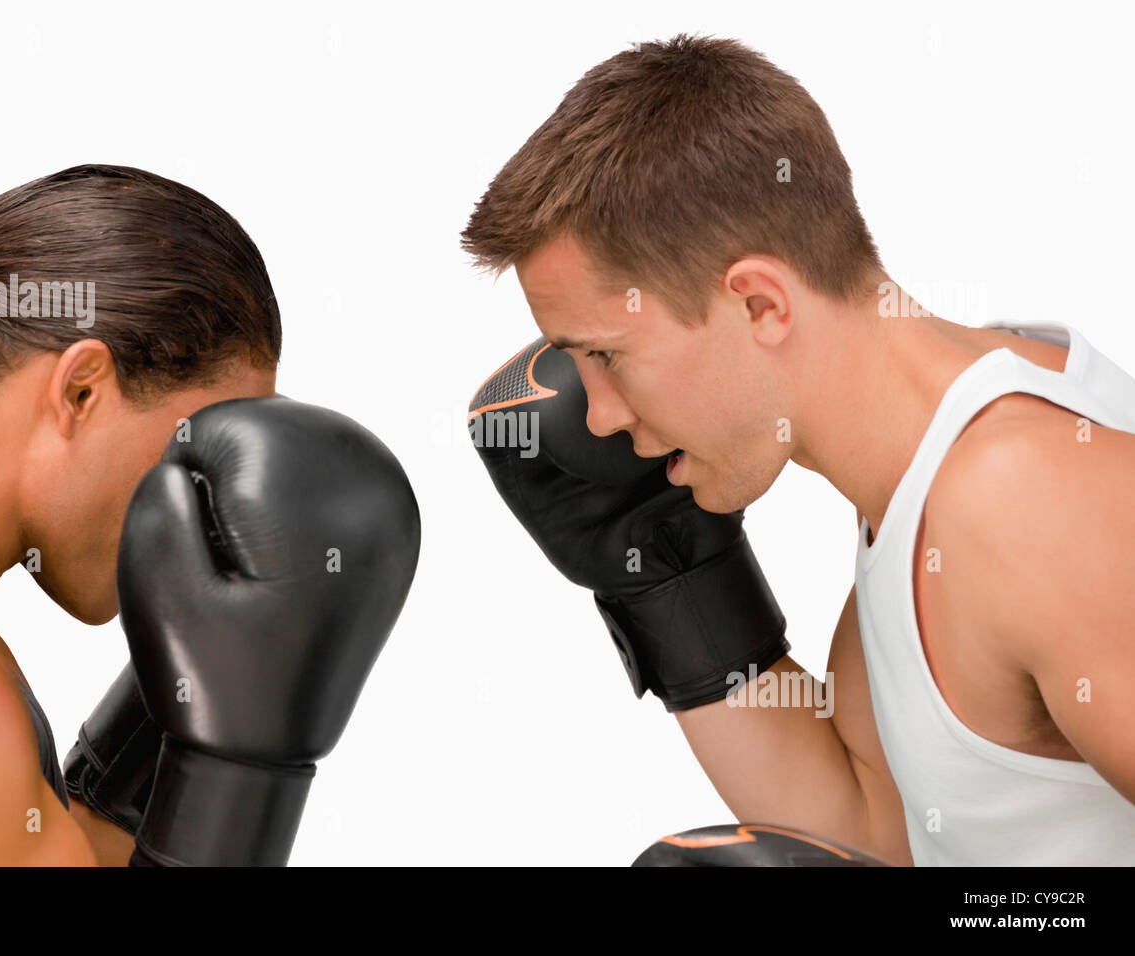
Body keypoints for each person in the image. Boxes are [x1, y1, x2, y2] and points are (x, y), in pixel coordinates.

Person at [461, 34, 1135, 865]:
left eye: (604, 354)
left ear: (759, 304)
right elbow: (882, 831)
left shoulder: (1022, 502)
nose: (595, 417)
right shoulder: (923, 485)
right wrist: (676, 591)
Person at [0, 164, 419, 865]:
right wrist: (245, 766)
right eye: (190, 449)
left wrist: (186, 704)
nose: (194, 502)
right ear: (80, 391)